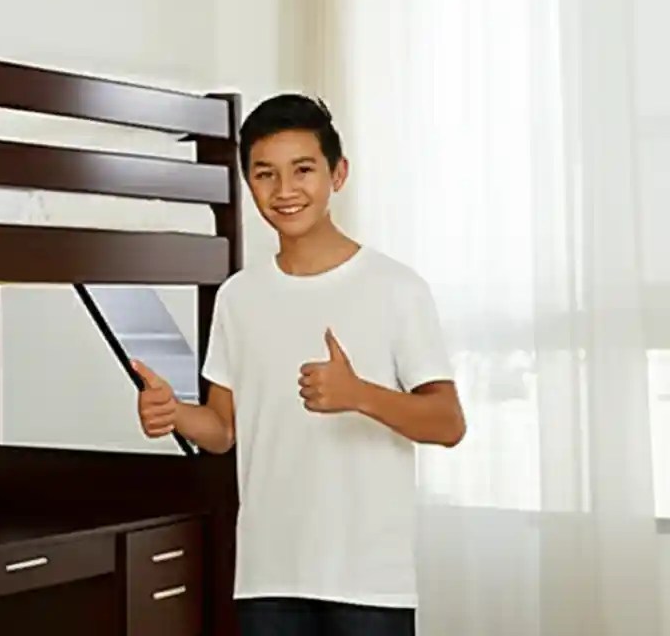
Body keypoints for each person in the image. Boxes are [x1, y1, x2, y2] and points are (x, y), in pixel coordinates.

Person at [134, 94, 466, 636]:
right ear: (248, 184)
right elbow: (223, 430)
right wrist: (174, 413)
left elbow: (449, 423)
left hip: (368, 583)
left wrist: (359, 393)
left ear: (338, 174)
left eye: (303, 170)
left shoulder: (396, 289)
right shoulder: (239, 297)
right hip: (268, 578)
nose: (284, 191)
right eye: (265, 174)